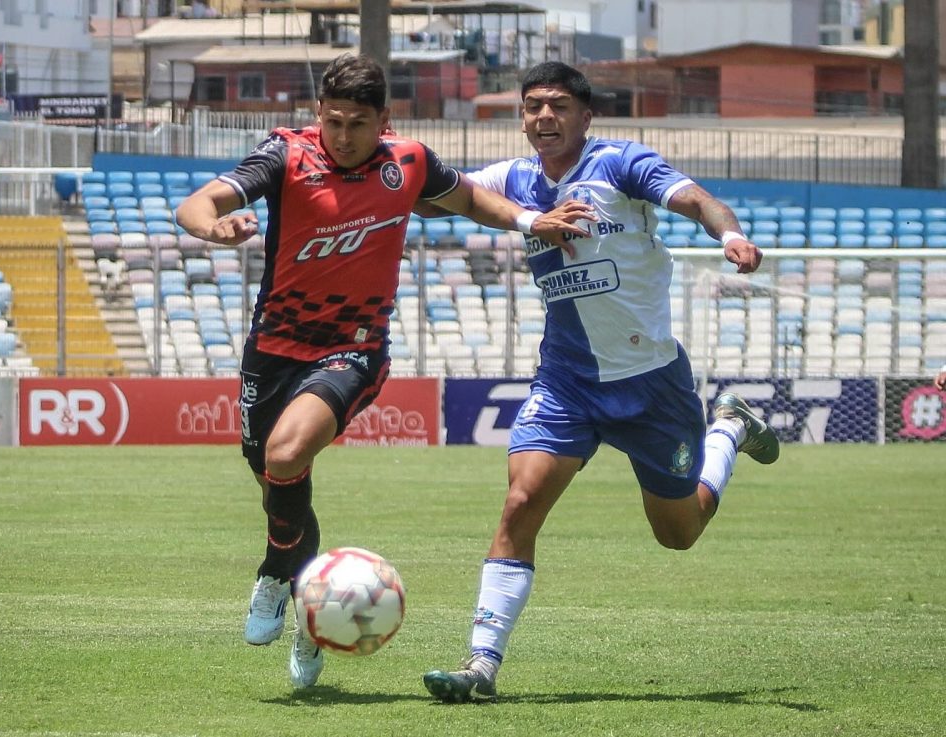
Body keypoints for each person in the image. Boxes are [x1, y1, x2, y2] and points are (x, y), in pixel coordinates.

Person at [175, 53, 592, 690]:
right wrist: (216, 227)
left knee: (286, 456)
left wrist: (532, 220)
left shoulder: (409, 164)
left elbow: (473, 200)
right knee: (274, 482)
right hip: (273, 348)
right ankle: (311, 614)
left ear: (384, 122)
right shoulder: (286, 155)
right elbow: (199, 202)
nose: (343, 136)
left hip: (354, 347)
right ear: (318, 114)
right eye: (334, 121)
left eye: (358, 124)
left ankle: (272, 575)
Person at [420, 61, 781, 703]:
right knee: (520, 504)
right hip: (568, 383)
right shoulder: (514, 180)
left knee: (678, 534)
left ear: (587, 117)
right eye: (533, 106)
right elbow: (442, 195)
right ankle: (481, 665)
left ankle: (729, 431)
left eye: (559, 105)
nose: (544, 117)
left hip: (651, 386)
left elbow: (698, 200)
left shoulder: (621, 164)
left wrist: (731, 233)